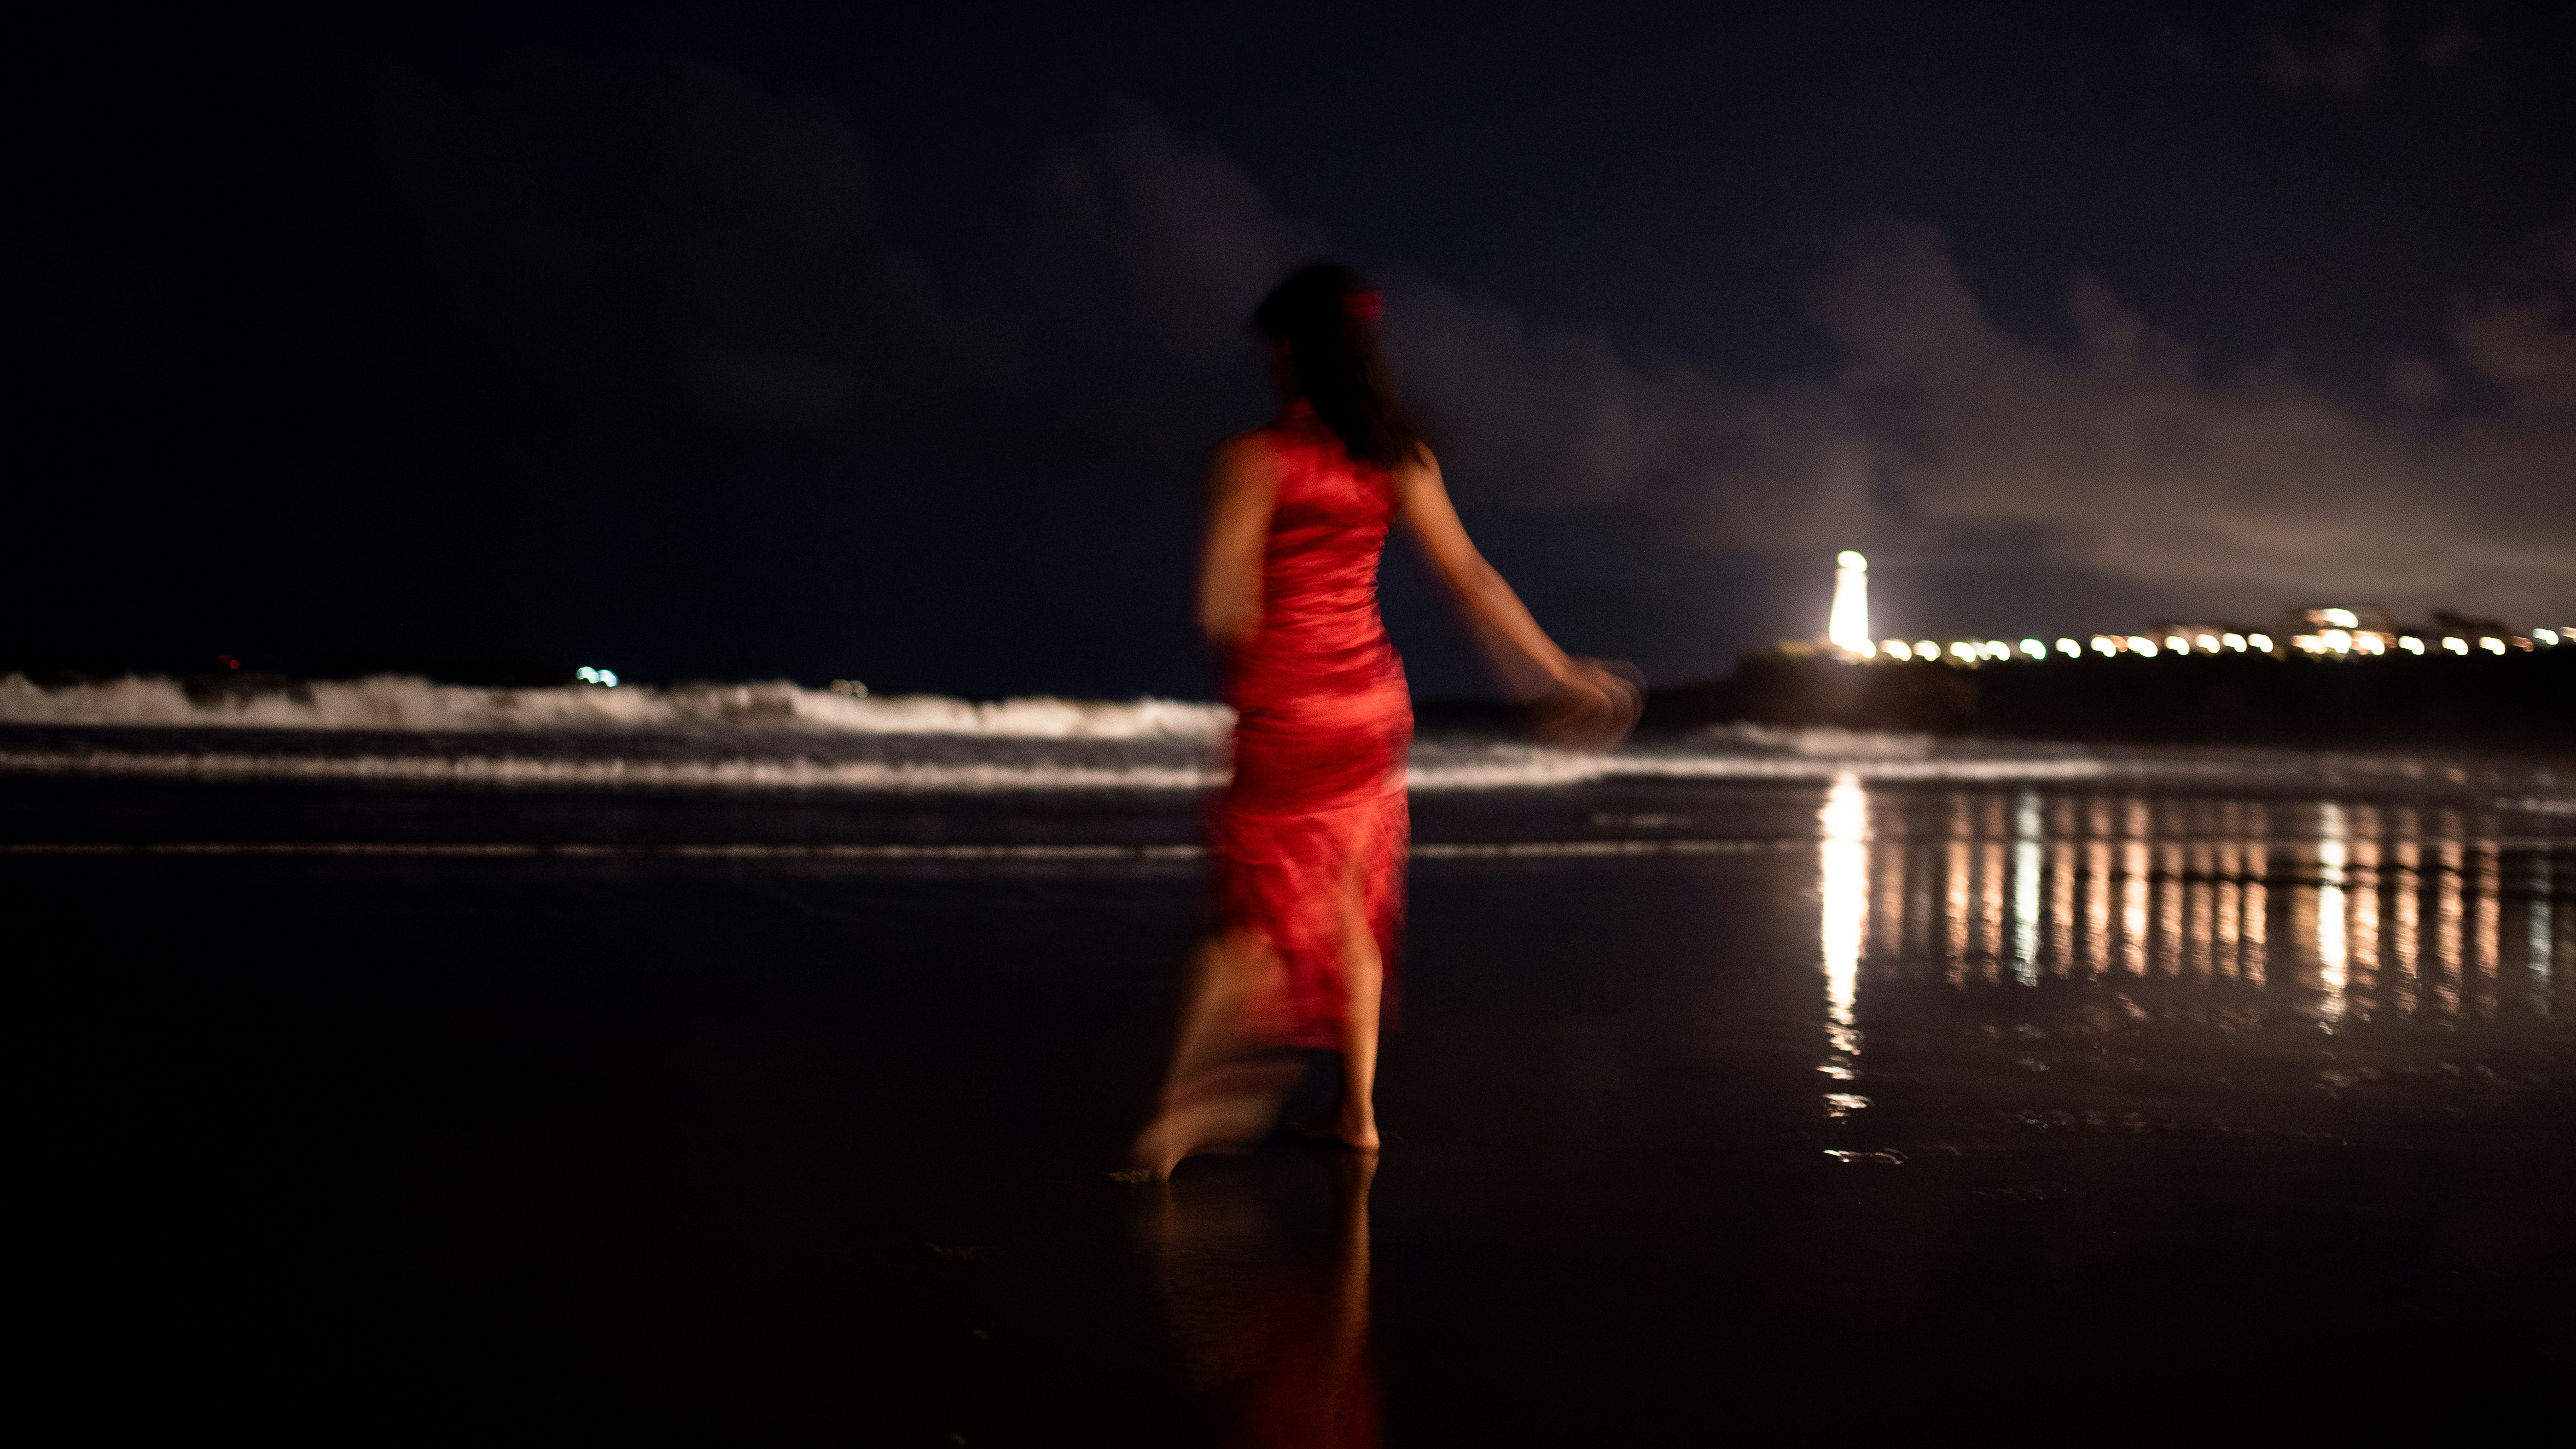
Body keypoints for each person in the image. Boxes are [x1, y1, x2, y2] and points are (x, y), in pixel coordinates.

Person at [1131, 262, 1638, 1179]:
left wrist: (1245, 630)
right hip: (1371, 703)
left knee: (1248, 913)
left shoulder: (1252, 458)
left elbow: (1220, 607)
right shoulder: (1398, 456)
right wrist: (1557, 673)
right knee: (1352, 902)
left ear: (1290, 350)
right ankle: (1355, 1112)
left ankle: (1181, 1111)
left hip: (1290, 708)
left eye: (1274, 346)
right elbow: (1470, 582)